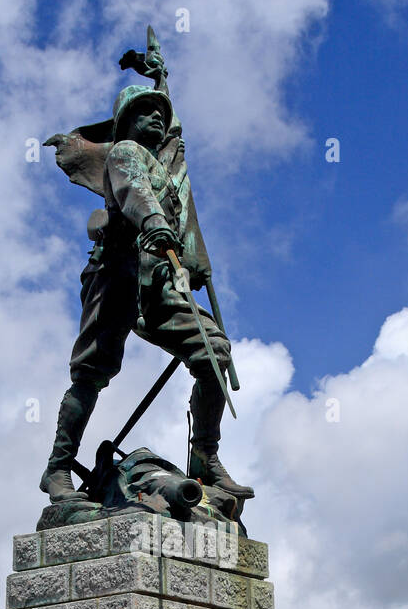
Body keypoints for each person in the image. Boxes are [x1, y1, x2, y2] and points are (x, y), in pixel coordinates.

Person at [41, 63, 253, 504]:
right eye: (146, 112)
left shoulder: (167, 169)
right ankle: (58, 469)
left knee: (213, 352)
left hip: (156, 283)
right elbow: (134, 191)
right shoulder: (124, 154)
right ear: (125, 124)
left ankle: (205, 458)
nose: (157, 118)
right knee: (92, 374)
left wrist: (193, 259)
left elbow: (171, 186)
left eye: (161, 112)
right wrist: (154, 223)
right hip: (116, 273)